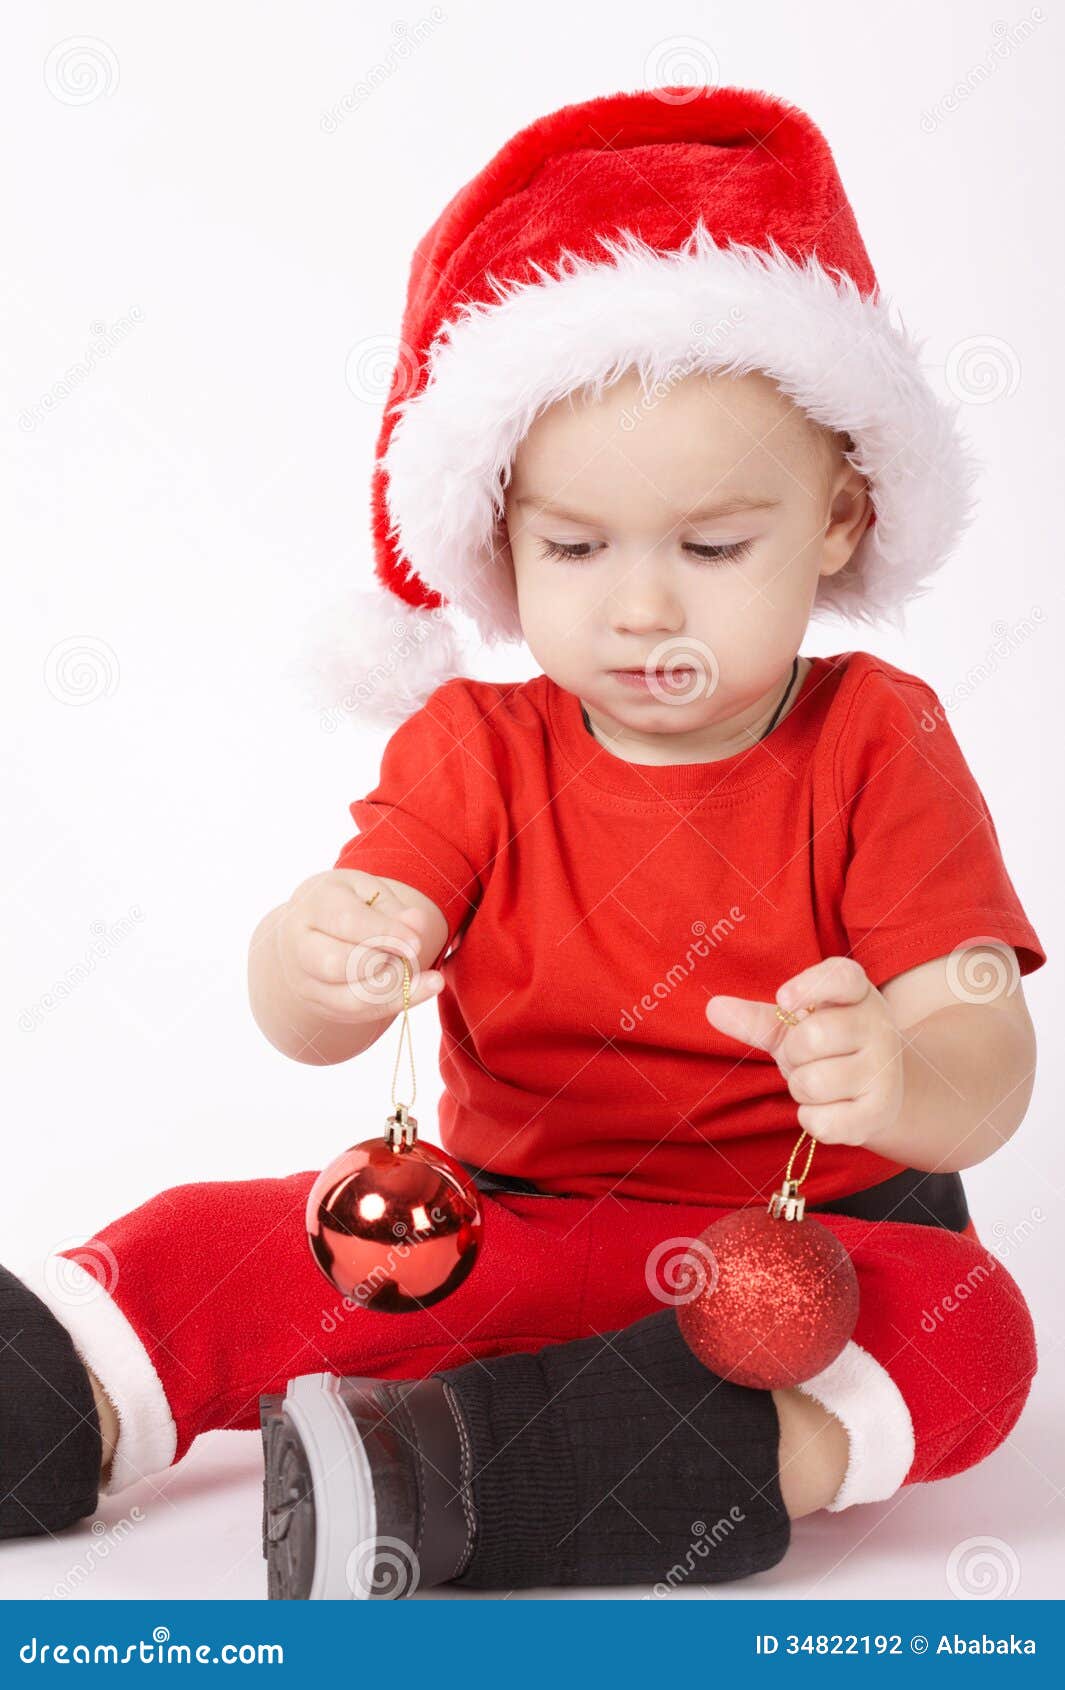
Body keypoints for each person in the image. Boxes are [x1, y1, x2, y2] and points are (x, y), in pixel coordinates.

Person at [2, 84, 1046, 1601]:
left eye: (710, 546)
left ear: (838, 518)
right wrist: (321, 953)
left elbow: (984, 1048)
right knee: (235, 1240)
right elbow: (308, 1006)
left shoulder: (877, 738)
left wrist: (900, 1072)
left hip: (792, 1258)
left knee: (967, 1327)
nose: (638, 610)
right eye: (572, 547)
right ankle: (78, 1375)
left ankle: (485, 1474)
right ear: (497, 538)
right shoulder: (475, 752)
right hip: (501, 1230)